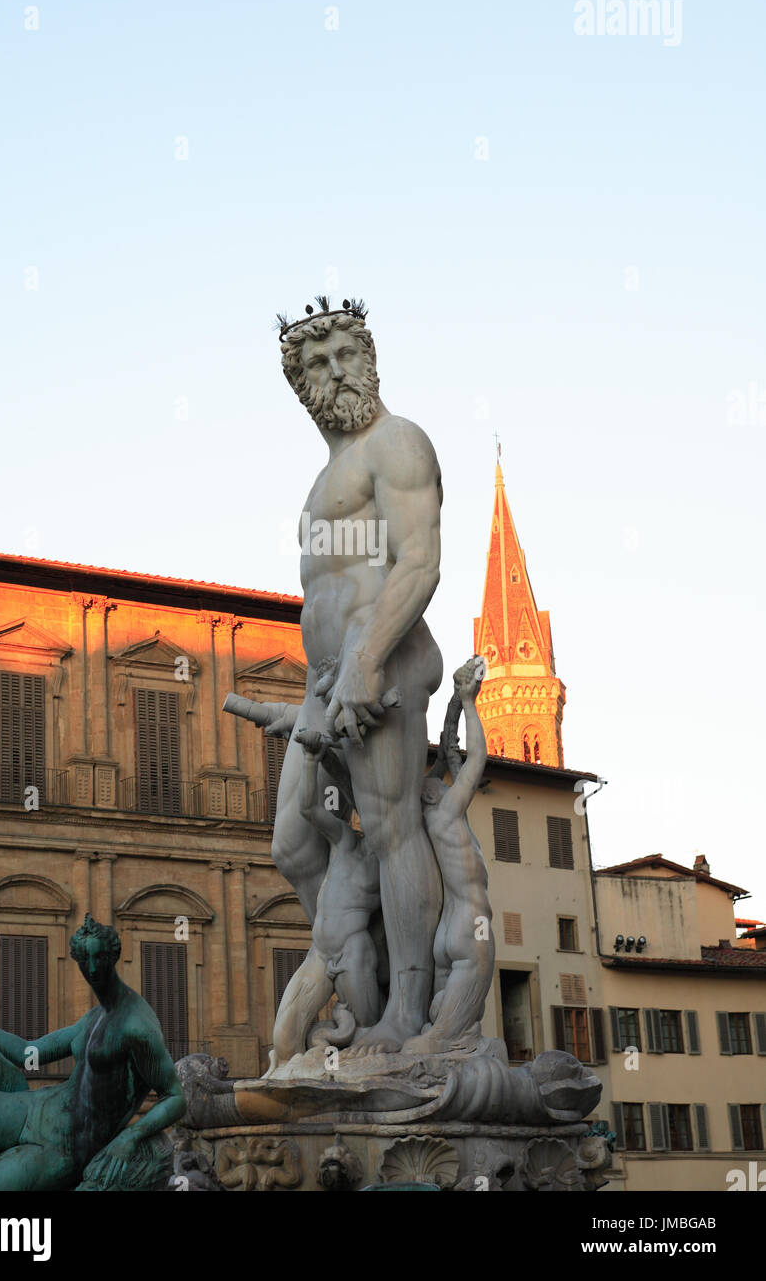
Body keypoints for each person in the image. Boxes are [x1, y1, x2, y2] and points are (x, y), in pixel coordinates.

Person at [271, 299, 444, 1051]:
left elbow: (420, 561)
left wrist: (369, 659)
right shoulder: (324, 475)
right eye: (316, 362)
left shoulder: (397, 442)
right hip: (324, 677)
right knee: (294, 844)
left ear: (370, 357)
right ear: (299, 384)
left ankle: (405, 1018)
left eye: (346, 353)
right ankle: (355, 970)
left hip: (381, 658)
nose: (334, 371)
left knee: (394, 827)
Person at [0, 914, 185, 1190]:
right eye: (85, 960)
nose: (93, 968)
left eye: (100, 958)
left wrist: (132, 1136)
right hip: (31, 1108)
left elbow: (175, 1097)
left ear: (113, 957)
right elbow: (28, 1053)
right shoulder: (93, 1018)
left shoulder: (137, 1024)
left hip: (61, 1147)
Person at [268, 728, 381, 1069]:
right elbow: (308, 809)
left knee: (363, 1041)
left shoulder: (391, 870)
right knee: (284, 1040)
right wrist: (310, 760)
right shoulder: (345, 840)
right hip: (319, 954)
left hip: (353, 953)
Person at [403, 655, 495, 1054]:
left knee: (432, 1038)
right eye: (435, 783)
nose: (440, 782)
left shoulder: (435, 822)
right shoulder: (446, 814)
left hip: (446, 933)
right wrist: (469, 702)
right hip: (473, 925)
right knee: (443, 1042)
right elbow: (476, 760)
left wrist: (446, 740)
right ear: (430, 796)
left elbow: (447, 764)